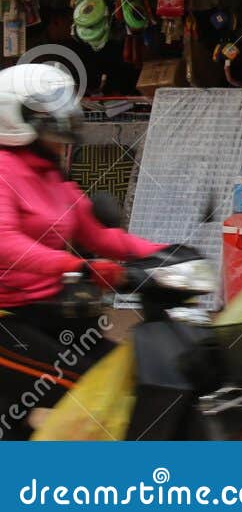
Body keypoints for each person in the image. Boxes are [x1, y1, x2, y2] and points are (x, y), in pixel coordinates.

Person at [0, 64, 161, 440]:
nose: (61, 130)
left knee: (128, 375)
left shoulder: (51, 174)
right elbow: (5, 242)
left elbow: (98, 234)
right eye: (48, 118)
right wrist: (78, 265)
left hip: (51, 313)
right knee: (91, 389)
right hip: (9, 321)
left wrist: (167, 254)